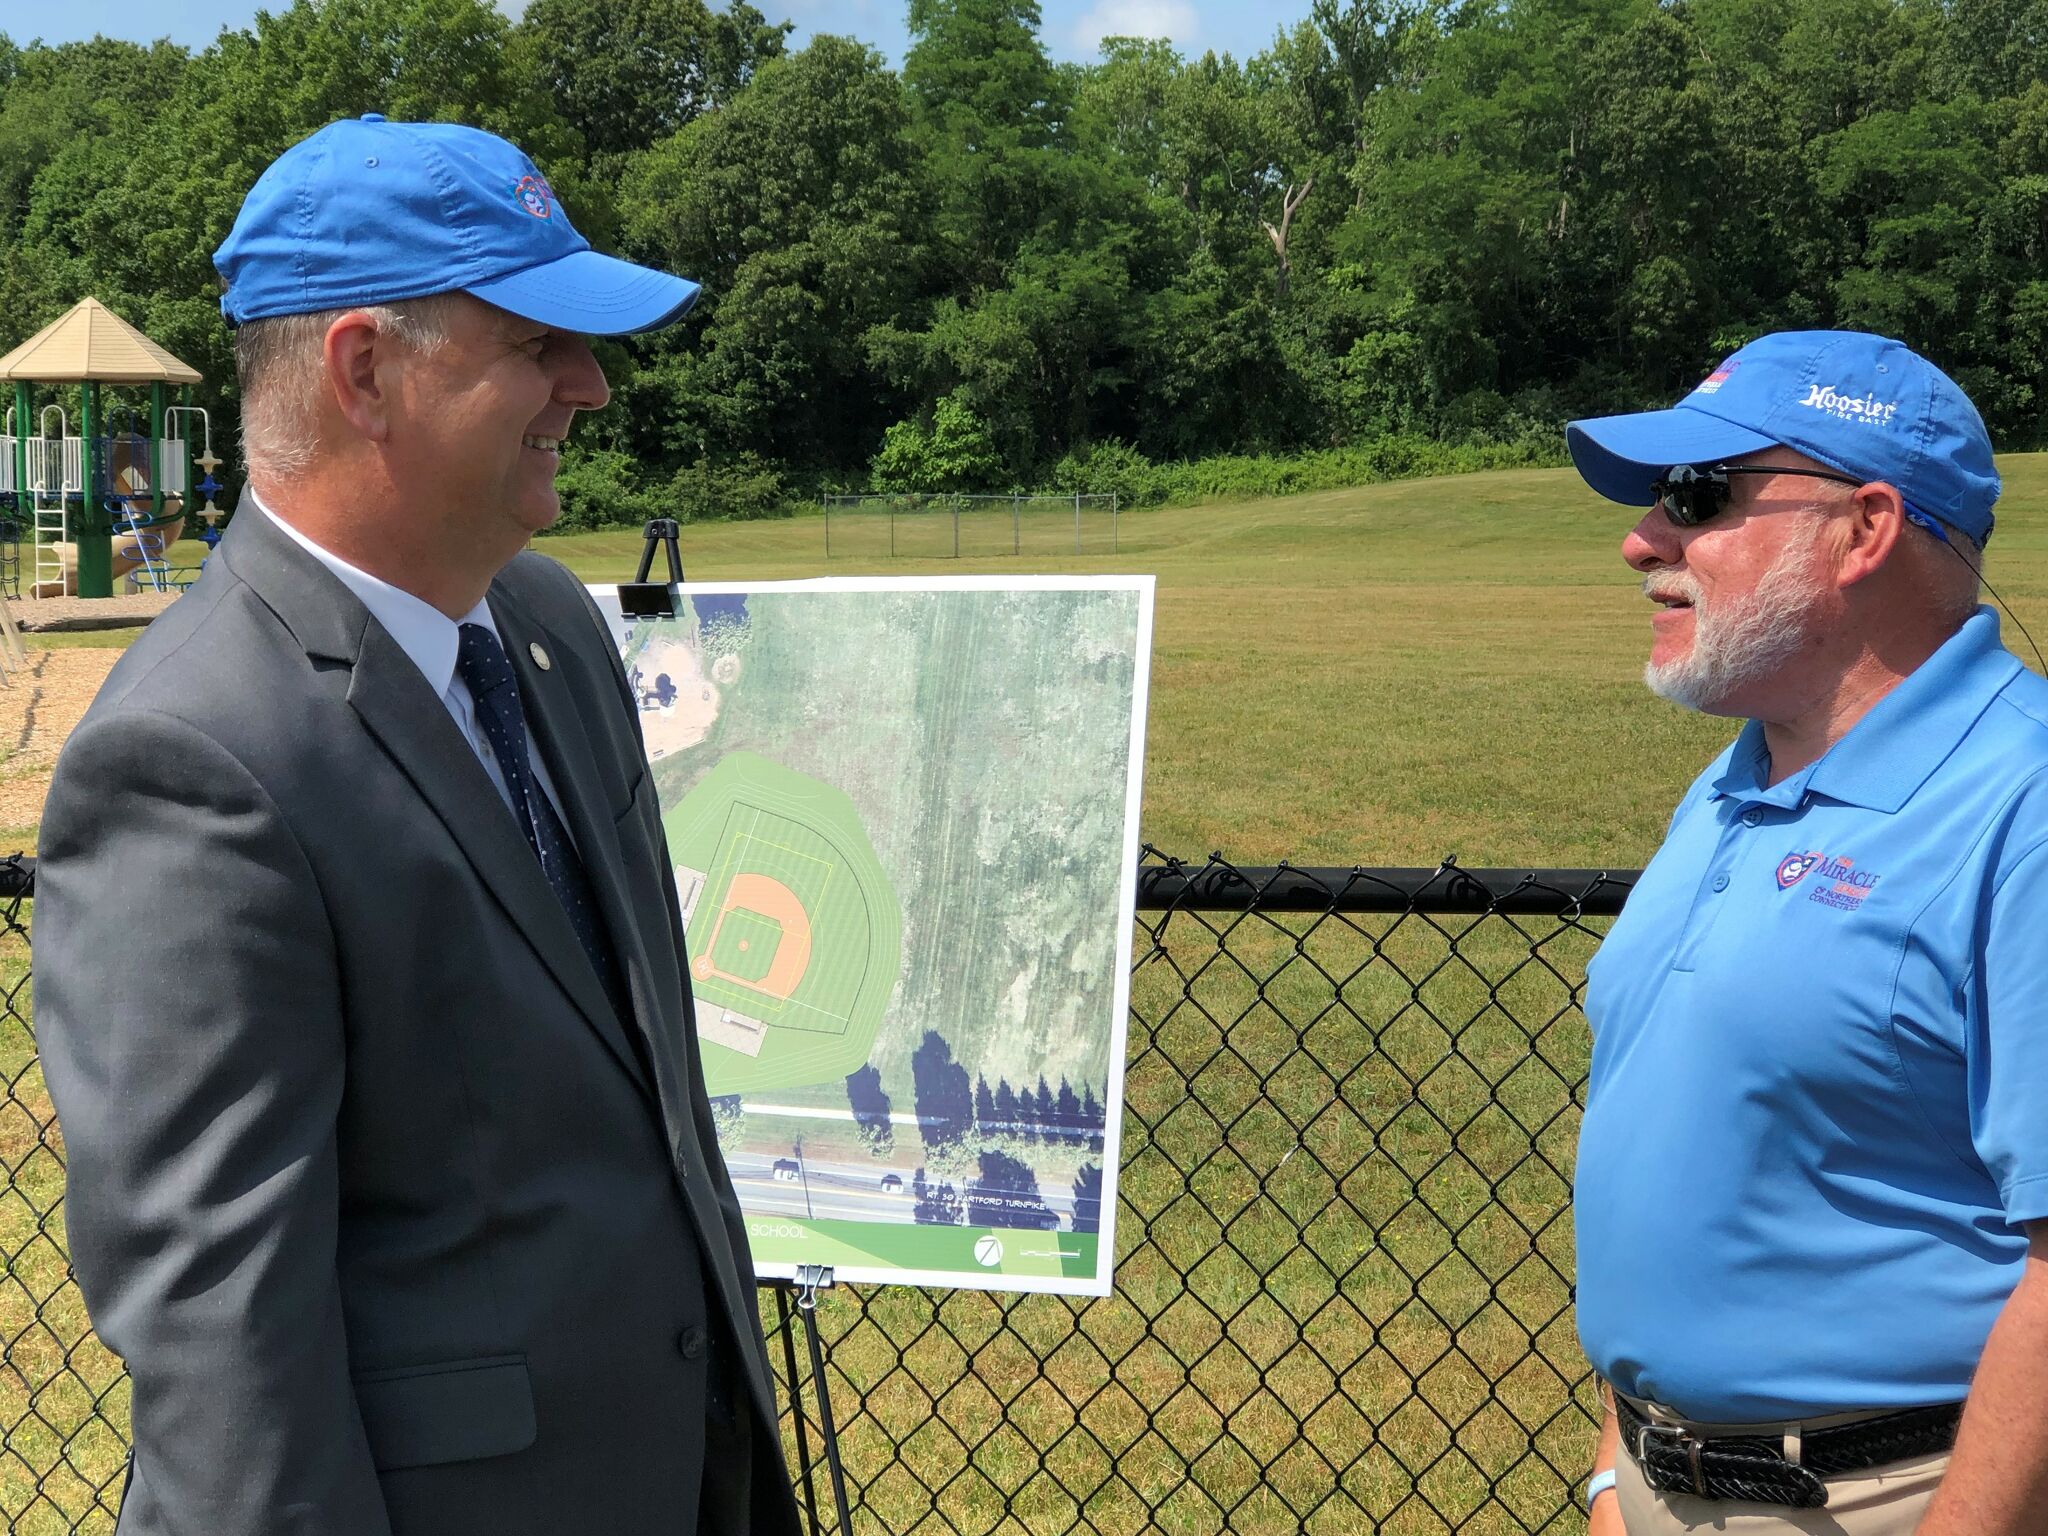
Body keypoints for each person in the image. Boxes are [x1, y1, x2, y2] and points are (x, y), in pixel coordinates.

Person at [36, 116, 804, 1536]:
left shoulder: (548, 626)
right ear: (366, 371)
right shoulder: (192, 760)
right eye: (537, 343)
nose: (592, 385)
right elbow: (228, 1360)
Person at [1566, 331, 2048, 1536]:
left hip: (1906, 1499)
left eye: (1694, 497)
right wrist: (1612, 1477)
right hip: (1656, 1487)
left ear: (1864, 529)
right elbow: (1684, 1160)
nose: (1640, 540)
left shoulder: (2022, 804)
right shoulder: (1732, 781)